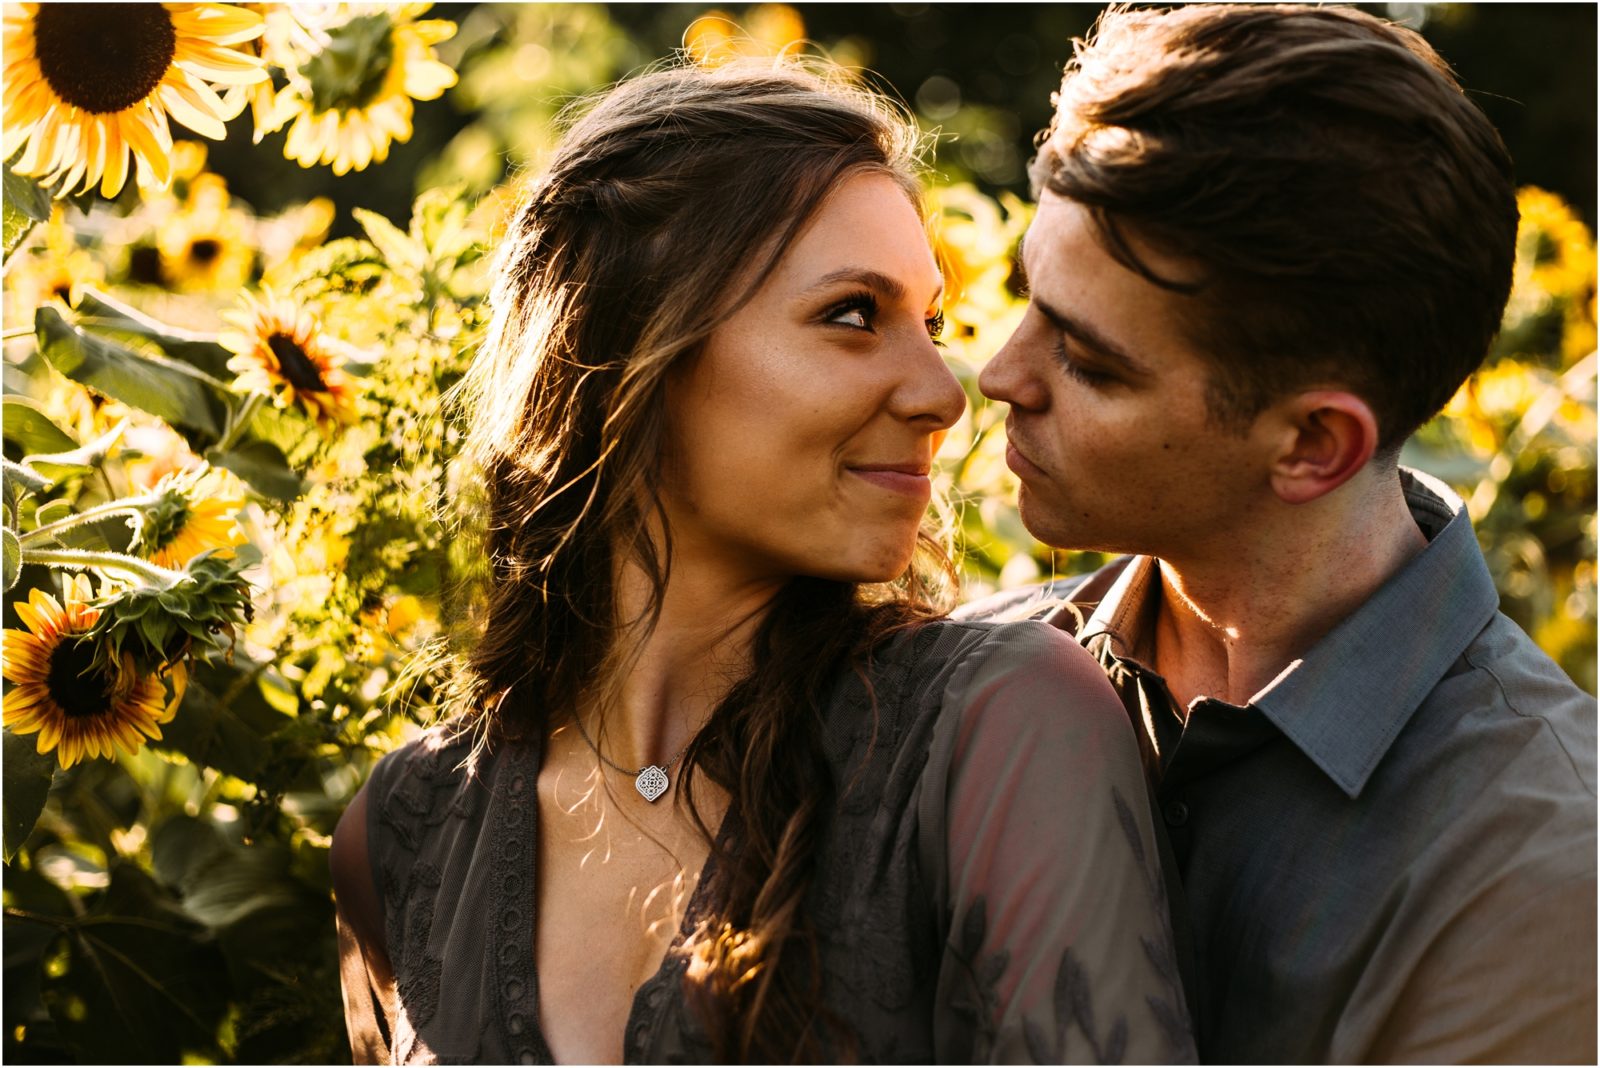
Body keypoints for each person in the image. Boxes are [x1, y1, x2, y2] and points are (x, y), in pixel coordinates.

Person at [330, 60, 1194, 1064]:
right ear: (630, 349)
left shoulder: (990, 730)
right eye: (853, 314)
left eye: (932, 325)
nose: (943, 394)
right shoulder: (402, 835)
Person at [965, 4, 1597, 1063]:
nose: (1000, 377)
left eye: (1089, 364)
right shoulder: (968, 683)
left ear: (1312, 443)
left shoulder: (1538, 868)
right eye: (1026, 295)